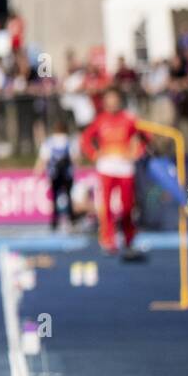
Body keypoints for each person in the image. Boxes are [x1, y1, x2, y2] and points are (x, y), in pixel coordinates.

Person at [78, 88, 147, 258]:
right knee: (106, 205)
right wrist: (94, 154)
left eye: (115, 99)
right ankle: (108, 240)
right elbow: (85, 139)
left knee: (127, 206)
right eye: (109, 99)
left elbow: (145, 136)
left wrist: (137, 152)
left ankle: (129, 238)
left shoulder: (129, 119)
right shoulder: (100, 120)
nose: (112, 103)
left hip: (125, 167)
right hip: (106, 167)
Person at [34, 119, 80, 231]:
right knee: (68, 196)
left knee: (54, 198)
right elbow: (75, 159)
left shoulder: (49, 142)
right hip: (67, 174)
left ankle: (55, 222)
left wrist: (37, 170)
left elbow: (44, 159)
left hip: (54, 174)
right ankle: (71, 219)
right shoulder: (70, 141)